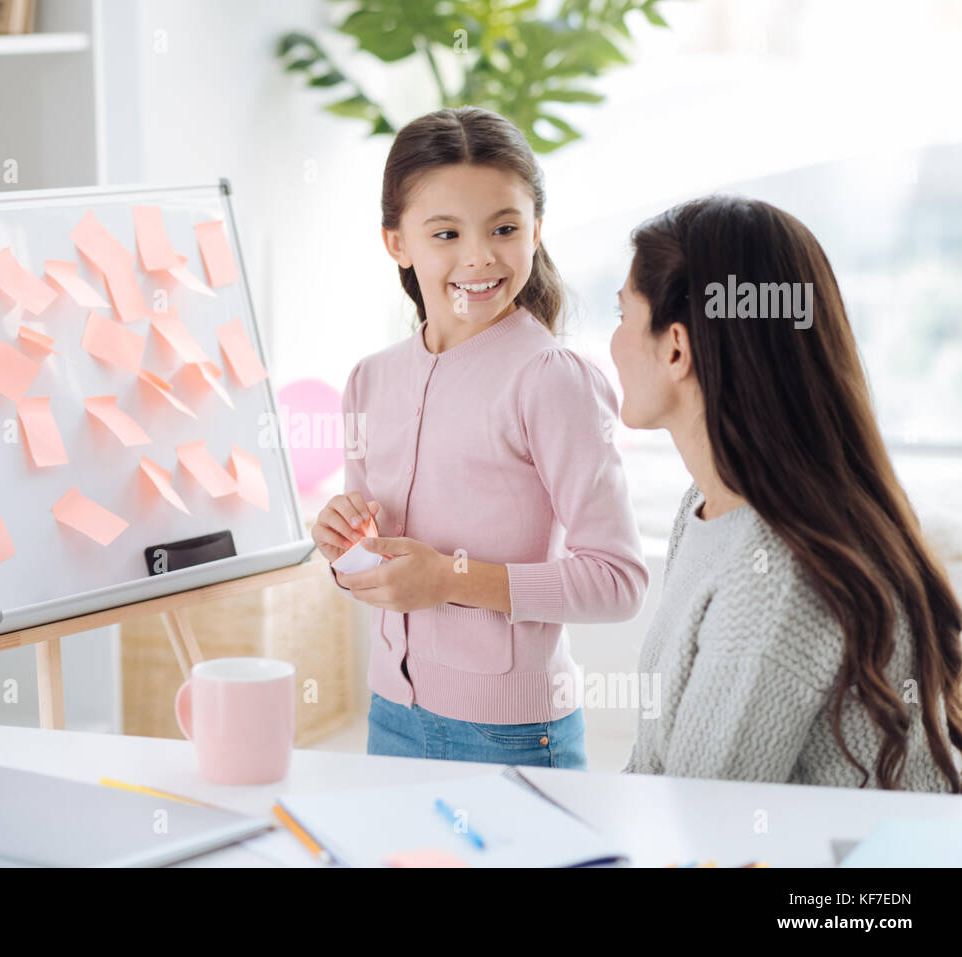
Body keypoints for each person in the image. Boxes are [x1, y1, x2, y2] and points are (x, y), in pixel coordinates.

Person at [312, 106, 648, 768]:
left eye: (505, 228)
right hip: (392, 715)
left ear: (536, 231)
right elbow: (374, 566)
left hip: (514, 735)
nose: (479, 256)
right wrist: (339, 542)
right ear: (397, 243)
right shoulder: (370, 381)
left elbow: (618, 582)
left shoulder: (553, 380)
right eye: (445, 233)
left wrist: (450, 579)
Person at [612, 194, 962, 790]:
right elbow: (660, 773)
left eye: (622, 316)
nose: (614, 343)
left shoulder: (775, 569)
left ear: (676, 347)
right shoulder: (705, 509)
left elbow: (704, 827)